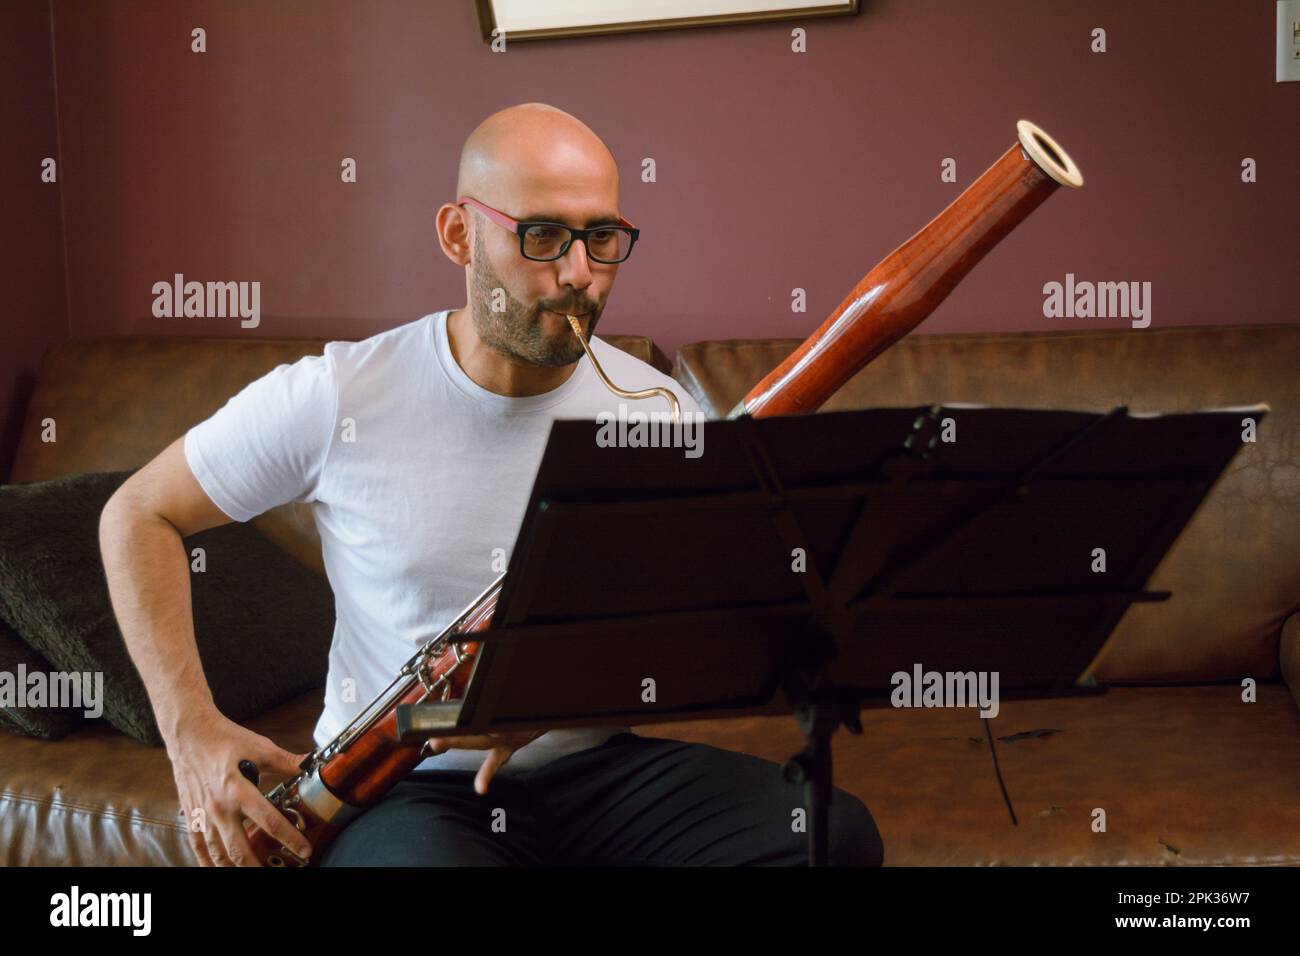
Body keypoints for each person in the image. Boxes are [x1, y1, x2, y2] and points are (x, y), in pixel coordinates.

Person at [99, 102, 884, 867]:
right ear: (458, 235)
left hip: (598, 769)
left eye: (602, 237)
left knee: (831, 834)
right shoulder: (338, 395)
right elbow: (137, 514)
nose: (580, 276)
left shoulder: (656, 411)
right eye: (541, 235)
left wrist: (566, 698)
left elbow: (688, 640)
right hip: (408, 788)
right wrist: (190, 730)